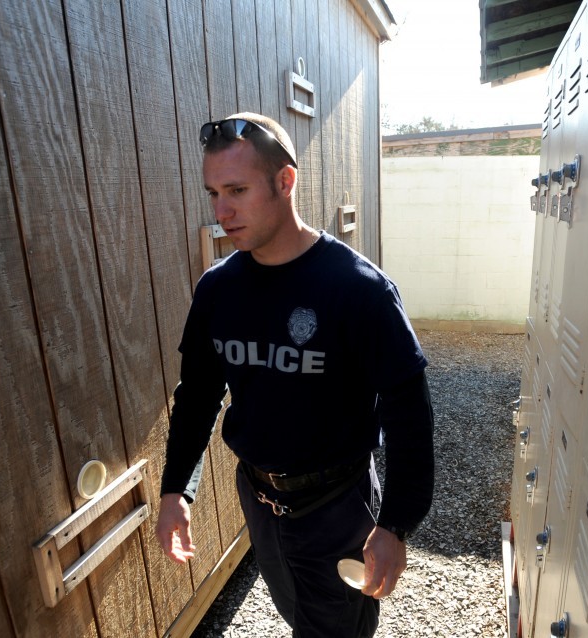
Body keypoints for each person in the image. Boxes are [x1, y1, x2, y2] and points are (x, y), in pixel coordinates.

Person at [155, 112, 435, 638]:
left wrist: (395, 524)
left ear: (285, 182)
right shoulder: (218, 291)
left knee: (337, 627)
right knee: (301, 613)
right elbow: (197, 397)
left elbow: (409, 415)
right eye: (213, 192)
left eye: (237, 189)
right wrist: (177, 490)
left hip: (336, 507)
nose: (222, 211)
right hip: (259, 499)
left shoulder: (359, 290)